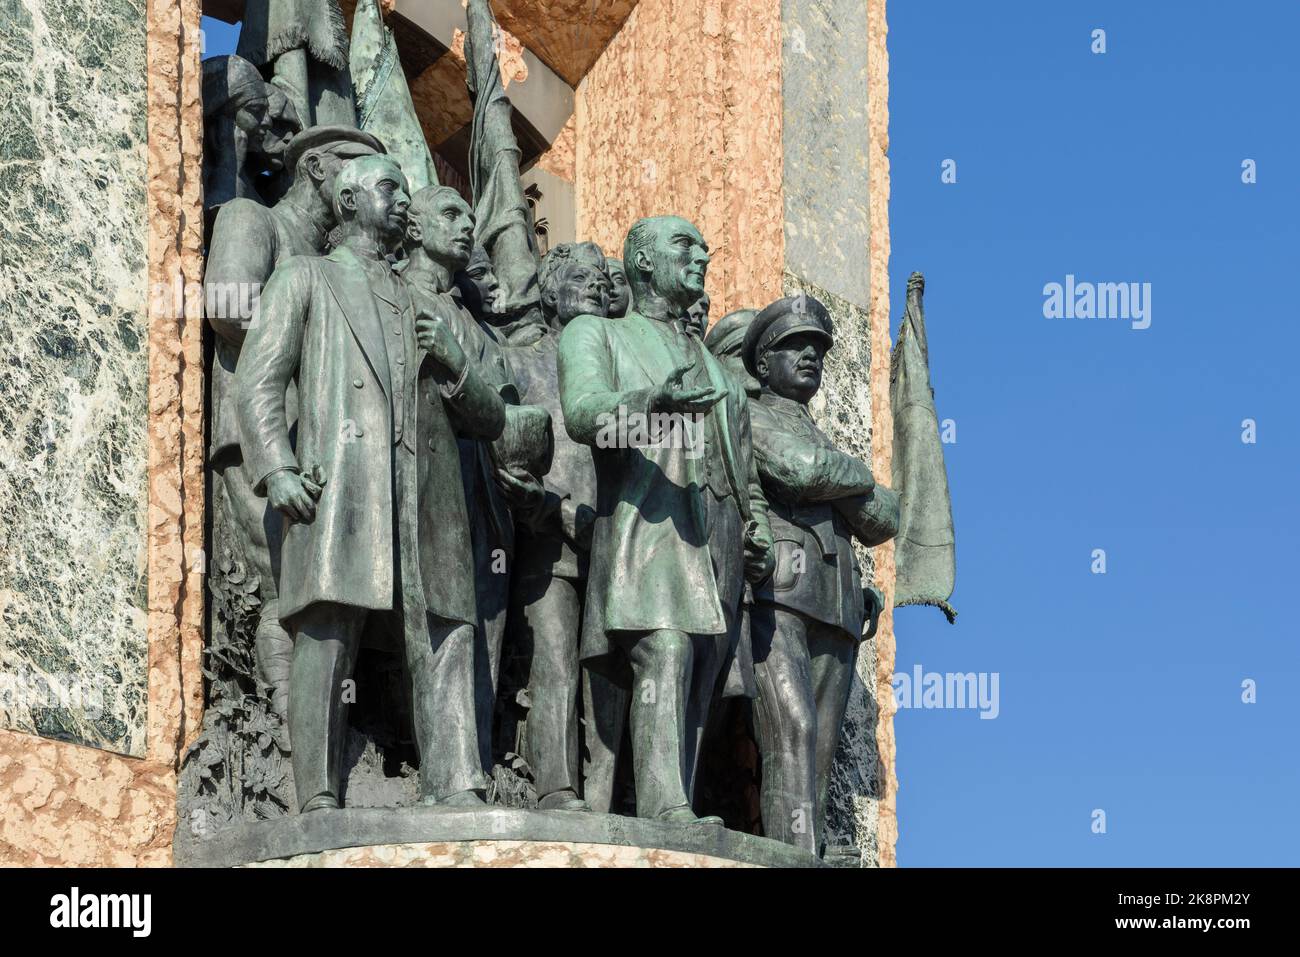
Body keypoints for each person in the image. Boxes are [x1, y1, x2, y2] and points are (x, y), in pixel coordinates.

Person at [234, 155, 505, 811]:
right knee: (328, 634)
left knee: (447, 633)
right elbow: (257, 382)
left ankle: (457, 782)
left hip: (427, 500)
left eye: (408, 192)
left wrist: (454, 360)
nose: (403, 201)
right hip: (342, 491)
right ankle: (319, 794)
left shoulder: (430, 306)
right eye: (390, 188)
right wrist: (277, 468)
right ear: (349, 199)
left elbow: (491, 417)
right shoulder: (306, 277)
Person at [557, 215, 774, 824]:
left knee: (701, 676)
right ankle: (663, 808)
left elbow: (744, 468)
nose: (703, 253)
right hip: (647, 527)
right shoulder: (597, 334)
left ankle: (673, 799)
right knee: (665, 651)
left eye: (705, 244)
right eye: (686, 243)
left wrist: (756, 527)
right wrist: (653, 406)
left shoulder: (724, 374)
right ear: (644, 260)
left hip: (716, 542)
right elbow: (586, 418)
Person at [206, 125, 383, 726]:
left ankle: (325, 723)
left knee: (329, 587)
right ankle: (288, 720)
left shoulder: (340, 262)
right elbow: (228, 306)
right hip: (260, 432)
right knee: (283, 582)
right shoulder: (250, 218)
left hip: (327, 440)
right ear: (316, 169)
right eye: (354, 169)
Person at [742, 296, 899, 855]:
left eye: (819, 348)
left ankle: (805, 849)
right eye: (794, 345)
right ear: (762, 363)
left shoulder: (817, 431)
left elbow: (885, 519)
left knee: (822, 744)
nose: (811, 355)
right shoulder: (751, 413)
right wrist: (857, 478)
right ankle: (794, 854)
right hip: (779, 590)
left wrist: (840, 479)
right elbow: (799, 470)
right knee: (794, 728)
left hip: (836, 602)